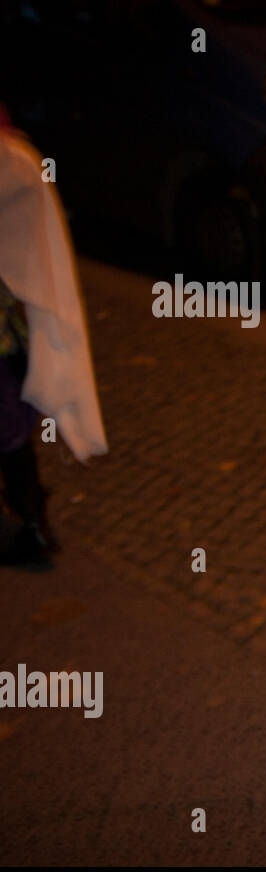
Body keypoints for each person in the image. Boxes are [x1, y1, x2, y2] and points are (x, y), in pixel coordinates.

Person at [0, 104, 108, 568]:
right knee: (9, 427)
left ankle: (33, 524)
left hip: (5, 329)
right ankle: (32, 521)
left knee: (8, 426)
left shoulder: (14, 162)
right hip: (7, 329)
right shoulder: (16, 160)